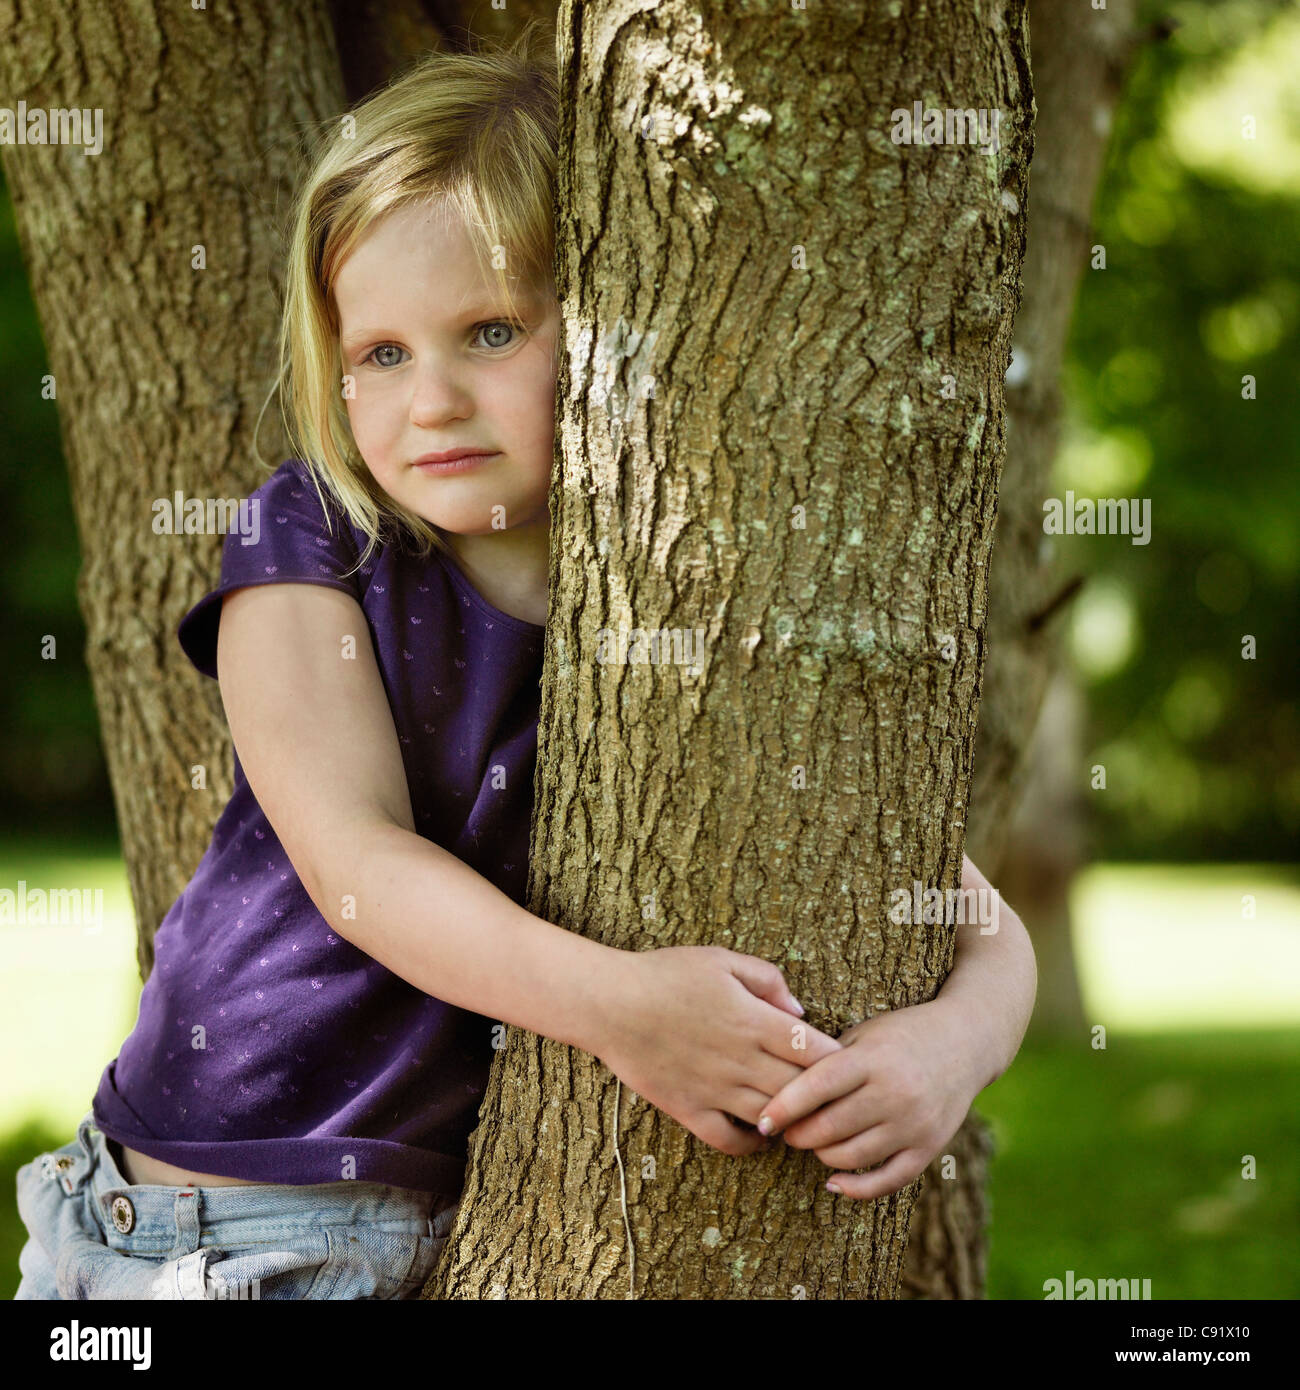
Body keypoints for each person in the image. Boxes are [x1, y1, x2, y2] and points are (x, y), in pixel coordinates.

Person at [14, 22, 1036, 1300]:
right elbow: (357, 866)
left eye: (488, 332)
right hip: (213, 1222)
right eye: (379, 354)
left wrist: (950, 1050)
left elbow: (964, 907)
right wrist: (620, 1005)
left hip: (427, 1221)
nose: (428, 397)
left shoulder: (686, 590)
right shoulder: (312, 540)